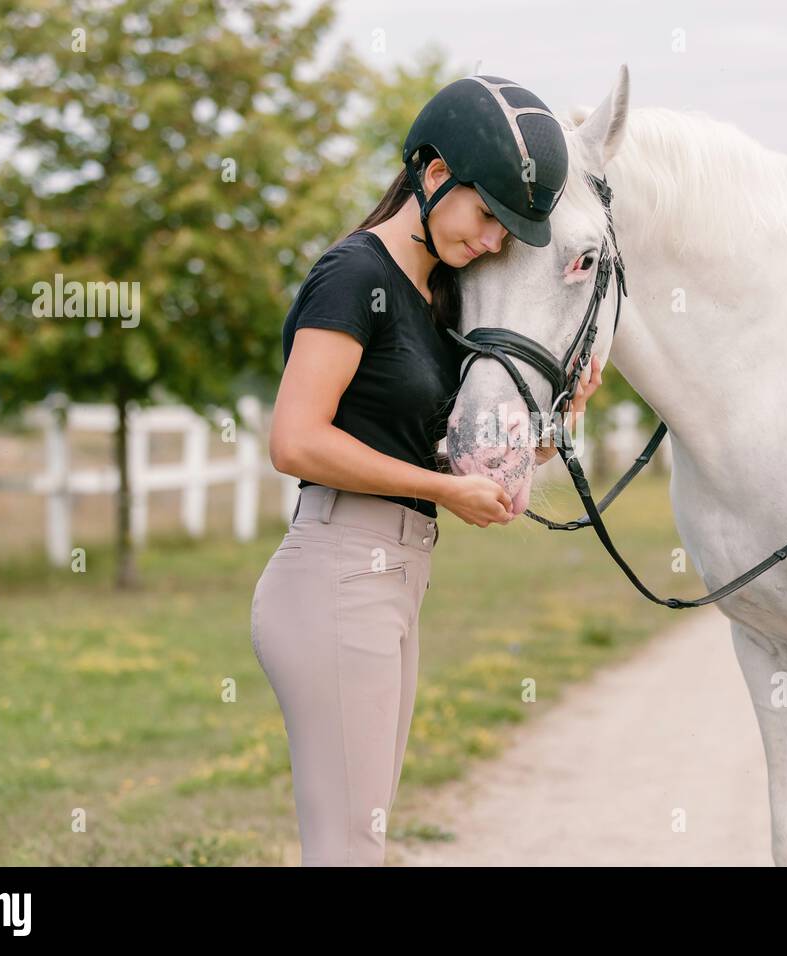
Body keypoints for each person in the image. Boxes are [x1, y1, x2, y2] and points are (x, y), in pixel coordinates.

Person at [250, 75, 602, 866]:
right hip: (336, 576)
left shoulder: (437, 302)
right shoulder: (355, 275)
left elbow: (452, 450)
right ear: (435, 173)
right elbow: (295, 441)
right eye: (487, 218)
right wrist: (445, 490)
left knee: (360, 842)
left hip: (394, 577)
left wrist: (559, 419)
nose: (490, 244)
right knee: (347, 850)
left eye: (508, 236)